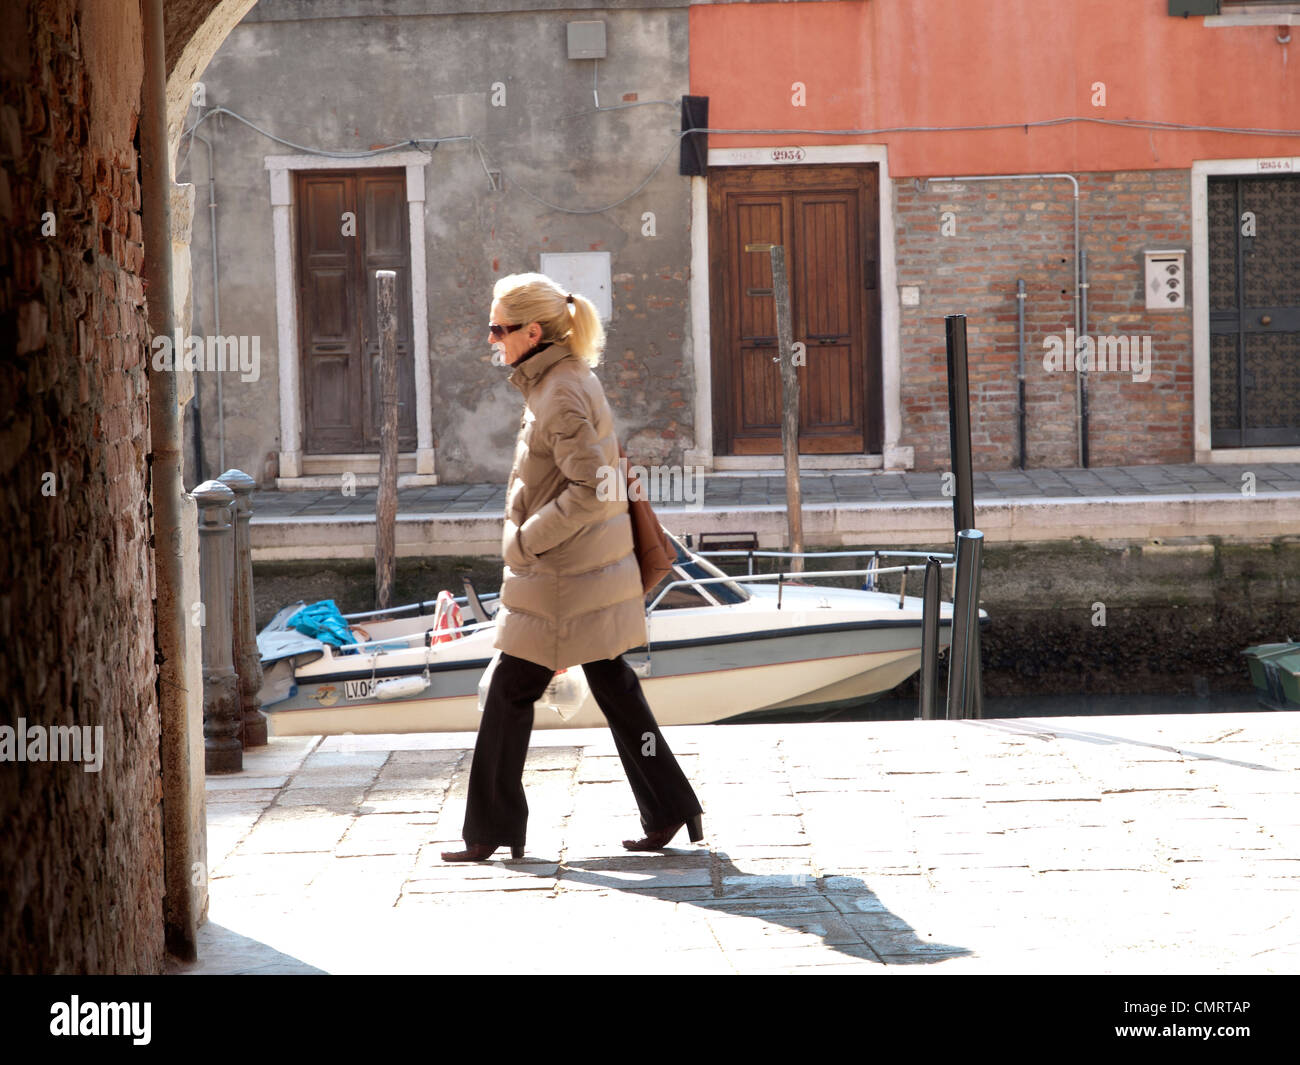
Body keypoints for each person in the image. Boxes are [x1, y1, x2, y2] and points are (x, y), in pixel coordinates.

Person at [441, 273, 704, 862]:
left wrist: (529, 539)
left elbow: (590, 487)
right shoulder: (563, 379)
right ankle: (669, 806)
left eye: (499, 329)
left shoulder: (558, 390)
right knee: (613, 683)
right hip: (583, 570)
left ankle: (489, 832)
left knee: (510, 689)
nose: (492, 340)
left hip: (562, 576)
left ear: (533, 332)